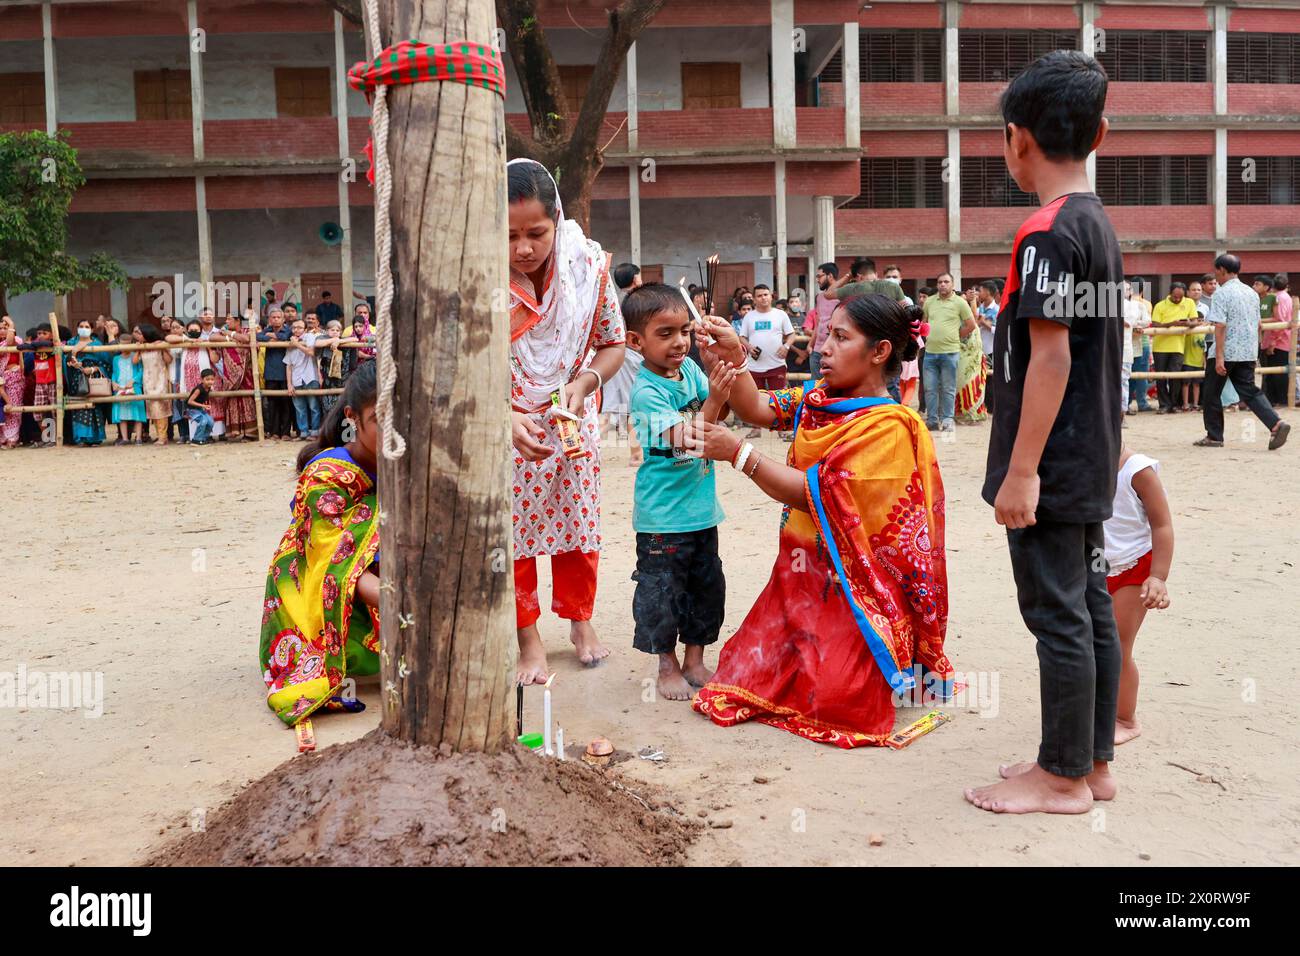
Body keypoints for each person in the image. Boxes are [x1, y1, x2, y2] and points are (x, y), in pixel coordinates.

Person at [685, 294, 953, 745]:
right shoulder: (819, 398)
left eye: (841, 338)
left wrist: (736, 451)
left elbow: (817, 494)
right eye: (828, 334)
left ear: (880, 351)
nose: (823, 347)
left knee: (838, 701)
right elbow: (759, 408)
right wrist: (733, 354)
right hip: (800, 576)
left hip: (855, 590)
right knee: (739, 683)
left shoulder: (888, 426)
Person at [970, 50, 1124, 814]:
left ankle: (1061, 777)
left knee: (1056, 615)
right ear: (1101, 132)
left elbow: (1052, 356)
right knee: (1088, 607)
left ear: (1016, 139)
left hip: (1052, 468)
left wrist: (1021, 469)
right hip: (1091, 457)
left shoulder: (1045, 233)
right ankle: (1091, 762)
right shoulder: (1095, 224)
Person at [506, 158, 627, 684]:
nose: (523, 248)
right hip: (503, 426)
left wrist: (584, 386)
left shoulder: (588, 268)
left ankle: (580, 620)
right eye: (508, 236)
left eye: (536, 233)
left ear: (557, 220)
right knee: (512, 538)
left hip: (572, 421)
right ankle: (527, 638)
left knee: (578, 523)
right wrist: (501, 415)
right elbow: (453, 368)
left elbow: (613, 343)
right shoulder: (472, 279)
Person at [259, 361, 381, 726]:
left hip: (378, 573)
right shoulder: (326, 476)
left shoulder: (413, 458)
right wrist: (411, 605)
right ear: (353, 418)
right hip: (314, 583)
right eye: (381, 418)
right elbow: (335, 564)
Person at [623, 284, 729, 700]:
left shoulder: (689, 371)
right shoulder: (646, 392)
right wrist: (716, 397)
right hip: (662, 519)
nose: (680, 342)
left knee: (707, 585)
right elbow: (690, 438)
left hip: (702, 511)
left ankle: (694, 659)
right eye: (665, 333)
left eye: (684, 331)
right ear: (636, 341)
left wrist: (720, 376)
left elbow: (719, 408)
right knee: (662, 593)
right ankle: (666, 665)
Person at [1103, 447, 1173, 747]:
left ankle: (1124, 718)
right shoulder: (1079, 460)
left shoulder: (1137, 470)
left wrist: (1158, 576)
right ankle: (1096, 709)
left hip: (1133, 568)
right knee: (1088, 643)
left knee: (1118, 645)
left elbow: (1162, 525)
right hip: (1090, 567)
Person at [1195, 254, 1290, 450]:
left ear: (1221, 270)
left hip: (1226, 351)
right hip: (1246, 351)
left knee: (1211, 393)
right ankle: (1275, 423)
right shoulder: (1251, 292)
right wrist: (1254, 352)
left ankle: (1214, 436)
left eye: (1216, 271)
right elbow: (1258, 325)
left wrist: (1219, 356)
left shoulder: (1221, 293)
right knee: (1250, 391)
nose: (1216, 276)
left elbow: (1220, 326)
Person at [921, 272, 976, 432]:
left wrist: (955, 336)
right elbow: (924, 323)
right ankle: (932, 421)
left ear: (952, 284)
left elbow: (971, 325)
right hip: (930, 353)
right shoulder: (929, 302)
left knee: (948, 388)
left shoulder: (960, 303)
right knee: (930, 388)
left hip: (950, 352)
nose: (942, 285)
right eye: (939, 282)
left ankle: (947, 420)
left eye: (946, 282)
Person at [1150, 282, 1196, 413]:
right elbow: (1155, 324)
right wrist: (1172, 324)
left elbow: (1195, 321)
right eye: (1175, 297)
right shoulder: (1160, 305)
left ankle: (1174, 404)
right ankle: (1163, 405)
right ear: (1169, 293)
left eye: (1180, 297)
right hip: (1160, 347)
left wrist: (1188, 323)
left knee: (1175, 376)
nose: (1177, 299)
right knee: (1161, 377)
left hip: (1178, 346)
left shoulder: (1189, 303)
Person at [65, 319, 109, 447]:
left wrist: (94, 369)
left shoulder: (97, 344)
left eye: (87, 326)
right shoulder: (71, 343)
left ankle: (95, 438)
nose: (84, 328)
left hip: (93, 377)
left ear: (92, 329)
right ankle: (81, 437)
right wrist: (72, 361)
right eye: (81, 326)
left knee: (94, 406)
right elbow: (64, 359)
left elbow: (106, 362)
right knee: (79, 406)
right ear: (77, 328)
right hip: (76, 377)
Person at [214, 314, 257, 440]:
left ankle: (250, 433)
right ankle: (235, 432)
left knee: (246, 400)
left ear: (238, 321)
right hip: (229, 375)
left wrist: (229, 334)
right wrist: (230, 339)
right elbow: (212, 337)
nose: (226, 321)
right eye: (226, 319)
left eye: (229, 319)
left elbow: (245, 338)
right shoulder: (223, 333)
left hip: (245, 374)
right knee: (232, 401)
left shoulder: (246, 330)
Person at [257, 308, 294, 440]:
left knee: (286, 404)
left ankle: (285, 433)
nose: (276, 319)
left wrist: (272, 337)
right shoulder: (267, 330)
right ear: (269, 319)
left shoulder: (288, 330)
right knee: (272, 404)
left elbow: (286, 337)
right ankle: (274, 432)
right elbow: (257, 336)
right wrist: (271, 336)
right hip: (271, 372)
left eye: (279, 317)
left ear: (283, 319)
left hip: (285, 372)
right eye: (273, 317)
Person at [284, 318, 322, 441]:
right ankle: (303, 432)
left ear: (305, 329)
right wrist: (289, 384)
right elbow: (288, 366)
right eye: (294, 327)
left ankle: (315, 432)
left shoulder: (310, 337)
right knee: (300, 408)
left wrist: (297, 345)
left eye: (300, 327)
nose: (296, 330)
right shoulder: (290, 342)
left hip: (310, 377)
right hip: (296, 379)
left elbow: (311, 352)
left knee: (314, 406)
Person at [110, 327, 147, 444]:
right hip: (120, 387)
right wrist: (113, 382)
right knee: (121, 413)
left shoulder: (135, 356)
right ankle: (125, 438)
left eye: (127, 345)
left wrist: (134, 380)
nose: (125, 347)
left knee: (137, 412)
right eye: (122, 345)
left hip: (134, 387)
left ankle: (139, 437)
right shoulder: (116, 359)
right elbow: (114, 373)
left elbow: (141, 370)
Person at [1258, 273, 1290, 407]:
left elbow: (1280, 321)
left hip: (1277, 342)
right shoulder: (1285, 297)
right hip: (1281, 341)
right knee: (1273, 373)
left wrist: (1273, 342)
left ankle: (1277, 401)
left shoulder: (1277, 298)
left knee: (1274, 374)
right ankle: (1275, 400)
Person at [138, 324, 173, 445]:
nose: (138, 336)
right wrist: (139, 348)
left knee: (160, 408)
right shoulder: (141, 346)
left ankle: (163, 437)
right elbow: (136, 360)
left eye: (140, 333)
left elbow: (169, 360)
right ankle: (159, 435)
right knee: (153, 409)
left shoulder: (160, 345)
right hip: (148, 380)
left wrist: (163, 348)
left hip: (160, 379)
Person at [1122, 279, 1151, 417]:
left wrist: (1135, 325)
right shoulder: (1107, 305)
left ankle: (1125, 409)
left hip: (1133, 345)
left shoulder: (1137, 306)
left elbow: (1137, 322)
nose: (1124, 292)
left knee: (1127, 379)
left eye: (1127, 289)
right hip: (1113, 348)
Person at [806, 262, 839, 380]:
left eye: (819, 276)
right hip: (816, 351)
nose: (817, 280)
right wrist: (810, 344)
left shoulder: (843, 295)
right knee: (816, 388)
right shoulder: (819, 297)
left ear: (830, 276)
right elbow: (819, 322)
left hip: (834, 351)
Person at [1128, 276, 1154, 413]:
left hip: (1127, 342)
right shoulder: (1146, 304)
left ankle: (1126, 403)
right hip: (1142, 341)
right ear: (1143, 288)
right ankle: (1142, 403)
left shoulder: (1124, 303)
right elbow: (1147, 322)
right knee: (1142, 374)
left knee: (1128, 374)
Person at [1181, 281, 1206, 411]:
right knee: (1185, 382)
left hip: (1198, 360)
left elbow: (1204, 349)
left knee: (1197, 383)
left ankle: (1196, 403)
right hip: (1186, 358)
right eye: (1194, 289)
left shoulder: (1206, 308)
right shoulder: (1183, 305)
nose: (1196, 292)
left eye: (1199, 289)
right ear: (1188, 292)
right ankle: (1185, 403)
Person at [1, 315, 23, 449]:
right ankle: (3, 438)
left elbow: (9, 342)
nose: (3, 330)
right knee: (2, 408)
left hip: (14, 378)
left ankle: (12, 439)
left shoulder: (16, 340)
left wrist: (11, 324)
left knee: (13, 407)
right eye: (1, 328)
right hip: (1, 378)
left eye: (5, 328)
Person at [186, 368, 217, 444]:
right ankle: (196, 439)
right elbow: (190, 401)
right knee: (203, 421)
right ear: (202, 380)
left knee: (211, 422)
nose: (210, 381)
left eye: (212, 379)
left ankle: (204, 438)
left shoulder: (209, 387)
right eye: (207, 379)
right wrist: (203, 405)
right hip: (191, 410)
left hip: (199, 409)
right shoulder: (199, 389)